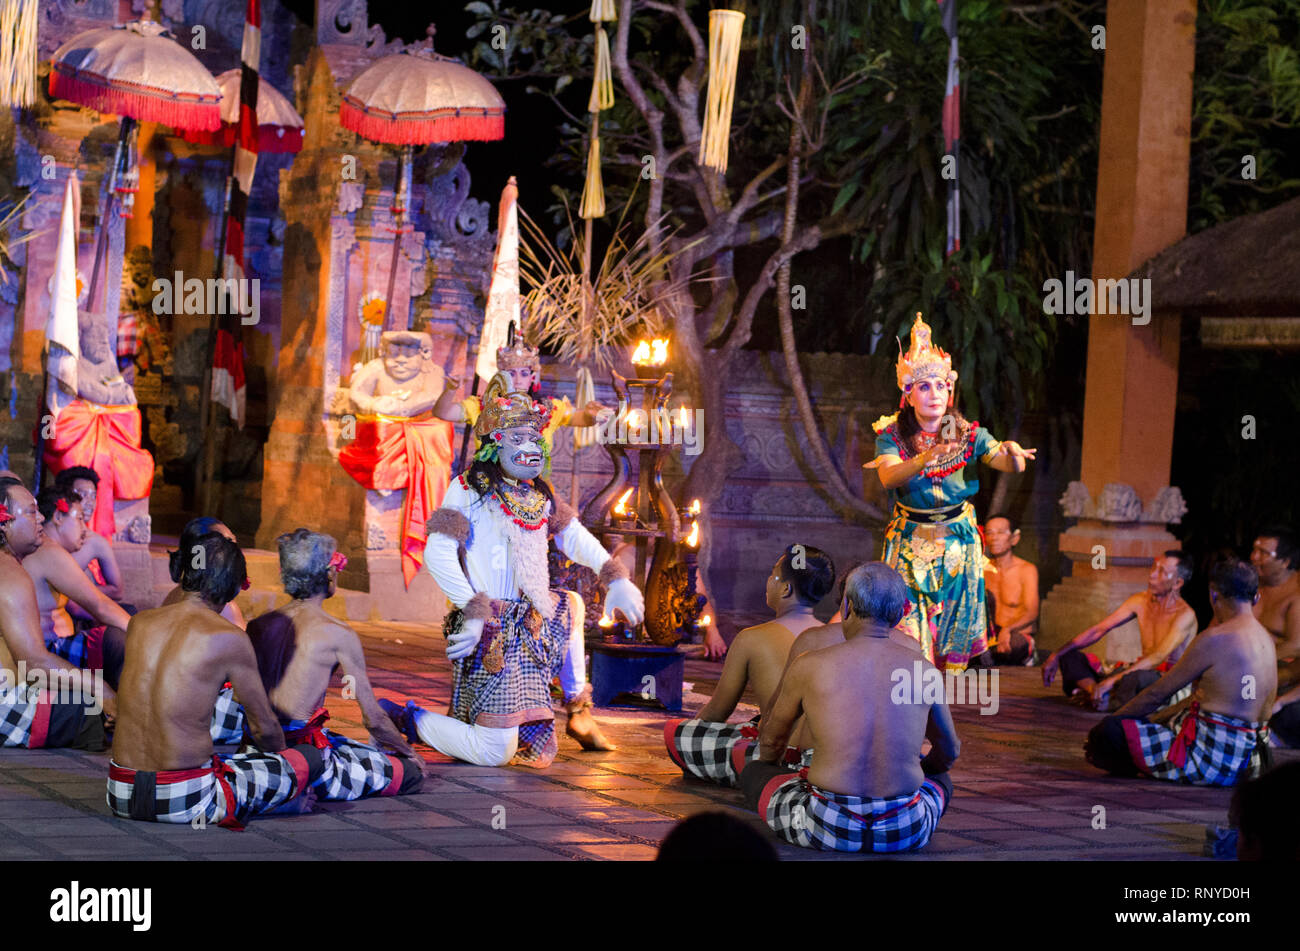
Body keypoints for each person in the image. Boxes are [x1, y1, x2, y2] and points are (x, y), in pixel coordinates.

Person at [382, 391, 645, 767]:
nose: (531, 446)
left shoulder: (539, 493)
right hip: (489, 624)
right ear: (494, 444)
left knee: (569, 603)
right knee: (493, 753)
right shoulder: (468, 488)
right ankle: (405, 719)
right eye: (517, 438)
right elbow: (437, 552)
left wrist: (615, 577)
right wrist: (473, 611)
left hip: (530, 622)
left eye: (534, 438)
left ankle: (578, 708)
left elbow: (573, 536)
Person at [109, 532, 326, 828]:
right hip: (186, 799)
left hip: (121, 794)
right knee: (310, 758)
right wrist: (288, 760)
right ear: (232, 587)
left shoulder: (140, 622)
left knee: (239, 763)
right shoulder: (229, 637)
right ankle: (280, 803)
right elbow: (265, 731)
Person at [741, 563, 960, 853]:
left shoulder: (810, 663)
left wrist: (772, 765)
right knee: (941, 778)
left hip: (826, 823)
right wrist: (924, 769)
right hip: (905, 828)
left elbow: (771, 741)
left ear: (846, 606)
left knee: (754, 772)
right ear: (900, 613)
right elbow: (949, 751)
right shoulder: (924, 671)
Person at [864, 313, 1036, 671]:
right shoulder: (891, 434)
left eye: (941, 386)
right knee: (909, 631)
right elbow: (889, 477)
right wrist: (925, 458)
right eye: (924, 387)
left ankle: (942, 708)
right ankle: (908, 698)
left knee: (952, 636)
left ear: (950, 391)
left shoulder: (969, 434)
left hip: (958, 543)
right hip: (911, 544)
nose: (934, 394)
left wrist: (1015, 456)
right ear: (908, 394)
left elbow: (1001, 459)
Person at [244, 529, 424, 800]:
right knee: (410, 774)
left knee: (345, 745)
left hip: (253, 750)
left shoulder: (257, 625)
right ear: (329, 574)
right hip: (302, 757)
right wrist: (411, 754)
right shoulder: (338, 633)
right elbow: (373, 720)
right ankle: (302, 787)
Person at [1083, 558, 1275, 786]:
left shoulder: (1215, 638)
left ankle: (1138, 763)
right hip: (1252, 763)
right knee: (1154, 723)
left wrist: (1111, 722)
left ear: (1214, 595)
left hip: (1214, 761)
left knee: (1110, 733)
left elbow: (1157, 694)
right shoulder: (1267, 640)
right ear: (1256, 597)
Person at [663, 545, 834, 786]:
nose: (768, 581)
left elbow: (717, 712)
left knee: (677, 733)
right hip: (824, 758)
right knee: (752, 726)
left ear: (785, 588)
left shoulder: (752, 638)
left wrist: (691, 731)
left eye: (773, 575)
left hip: (778, 755)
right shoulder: (834, 637)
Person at [0, 479, 113, 750]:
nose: (41, 517)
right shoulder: (9, 573)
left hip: (17, 682)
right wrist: (101, 690)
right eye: (31, 512)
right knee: (90, 712)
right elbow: (35, 662)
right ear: (4, 522)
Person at [1042, 551, 1198, 711]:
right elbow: (1099, 629)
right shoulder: (1140, 601)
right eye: (1153, 568)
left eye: (1162, 572)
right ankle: (1096, 694)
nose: (1152, 575)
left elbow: (1157, 658)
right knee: (1070, 655)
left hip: (1164, 680)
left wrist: (1111, 681)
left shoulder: (1185, 615)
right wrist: (1057, 654)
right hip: (1135, 672)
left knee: (1136, 678)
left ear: (1178, 583)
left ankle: (1103, 699)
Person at [20, 484, 130, 686]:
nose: (85, 529)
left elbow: (95, 603)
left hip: (56, 643)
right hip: (47, 652)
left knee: (120, 627)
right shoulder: (48, 551)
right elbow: (99, 605)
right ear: (58, 517)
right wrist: (144, 634)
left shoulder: (50, 550)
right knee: (117, 641)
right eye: (79, 518)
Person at [161, 517, 249, 743]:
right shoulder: (223, 606)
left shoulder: (178, 593)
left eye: (233, 540)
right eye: (227, 542)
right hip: (196, 714)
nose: (234, 546)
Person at [53, 466, 128, 608]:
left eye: (93, 495)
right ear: (65, 497)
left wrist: (74, 594)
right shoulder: (48, 536)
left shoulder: (96, 542)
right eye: (83, 494)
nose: (90, 502)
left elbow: (117, 591)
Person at [978, 513, 1039, 666]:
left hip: (1016, 634)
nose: (994, 538)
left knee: (1013, 645)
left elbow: (1032, 612)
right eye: (990, 533)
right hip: (990, 636)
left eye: (1000, 532)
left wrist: (1007, 629)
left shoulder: (1026, 570)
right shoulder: (981, 570)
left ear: (1014, 538)